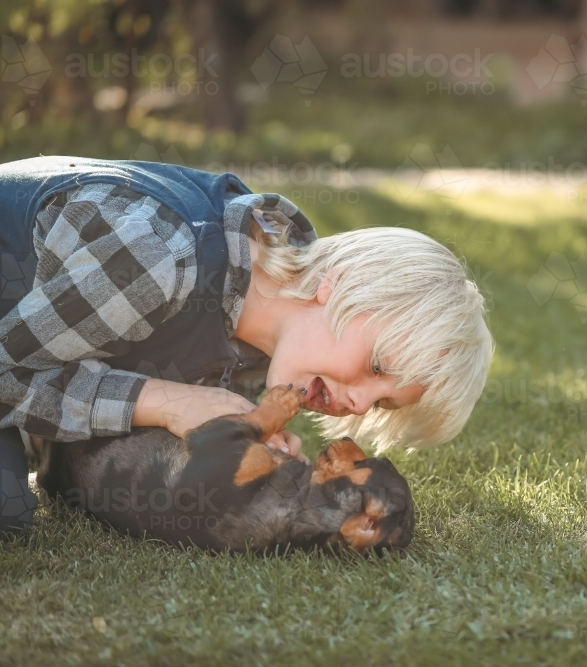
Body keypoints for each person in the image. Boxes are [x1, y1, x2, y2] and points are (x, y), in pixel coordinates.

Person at [0, 156, 493, 537]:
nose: (360, 404)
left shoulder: (254, 346)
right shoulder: (159, 261)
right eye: (378, 365)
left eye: (381, 402)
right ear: (340, 284)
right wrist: (166, 402)